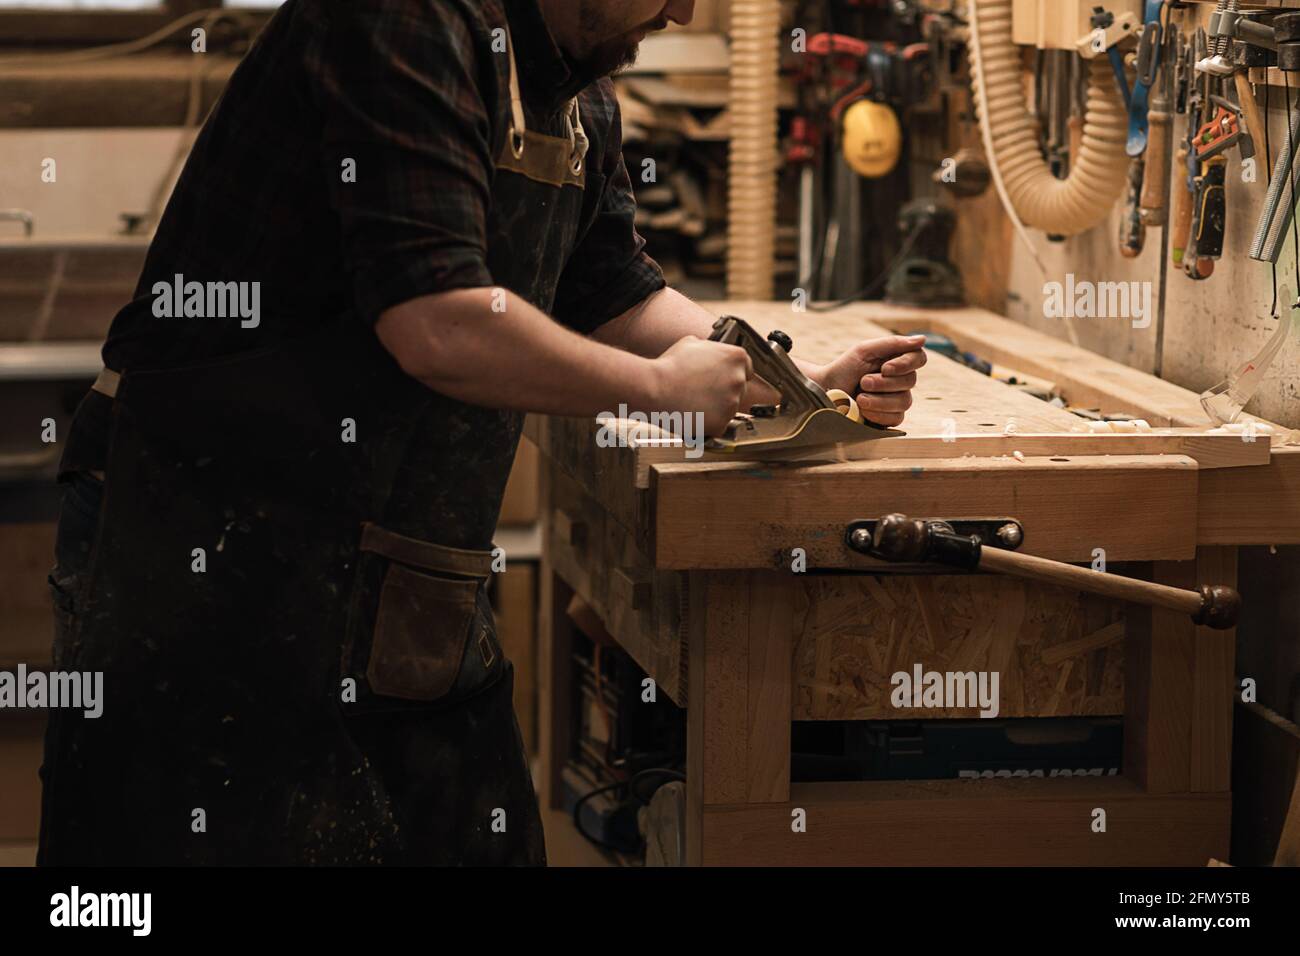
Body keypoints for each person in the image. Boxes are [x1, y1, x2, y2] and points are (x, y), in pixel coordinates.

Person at [39, 0, 926, 865]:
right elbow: (437, 320)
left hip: (401, 578)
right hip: (214, 567)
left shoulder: (572, 97)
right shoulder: (401, 20)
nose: (685, 15)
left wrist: (796, 385)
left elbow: (616, 292)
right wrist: (657, 389)